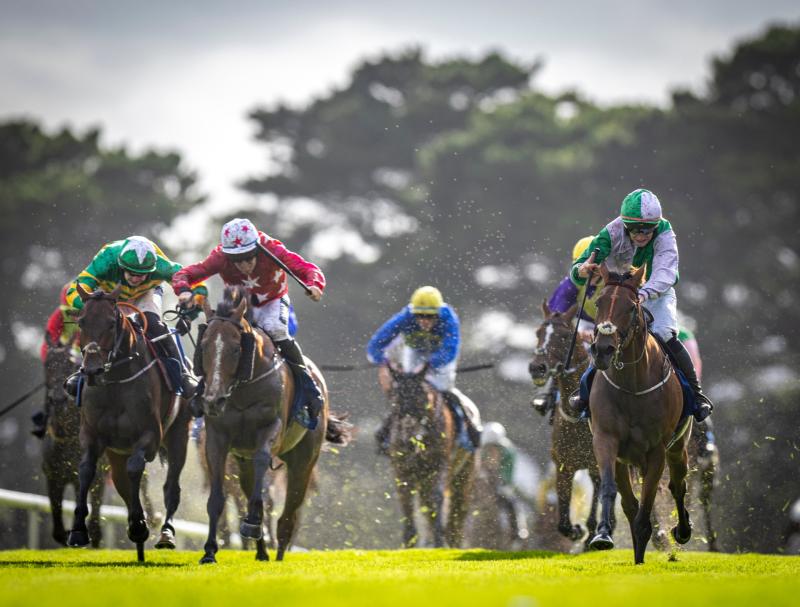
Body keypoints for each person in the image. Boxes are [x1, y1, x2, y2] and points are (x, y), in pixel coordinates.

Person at [570, 188, 713, 422]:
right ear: (625, 225)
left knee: (666, 333)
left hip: (655, 292)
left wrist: (643, 294)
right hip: (620, 290)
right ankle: (584, 394)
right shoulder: (611, 231)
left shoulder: (665, 232)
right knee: (606, 335)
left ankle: (696, 396)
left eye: (648, 229)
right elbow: (579, 267)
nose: (642, 234)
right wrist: (581, 270)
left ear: (656, 225)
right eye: (636, 229)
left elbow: (666, 273)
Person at [172, 217, 325, 424]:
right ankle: (201, 388)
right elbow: (185, 274)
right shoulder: (219, 257)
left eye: (248, 258)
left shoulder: (273, 249)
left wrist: (314, 284)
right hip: (238, 299)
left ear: (257, 249)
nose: (244, 265)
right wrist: (183, 291)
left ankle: (308, 387)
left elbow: (307, 268)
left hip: (272, 300)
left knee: (275, 329)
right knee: (215, 333)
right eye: (237, 260)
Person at [64, 236, 207, 399]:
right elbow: (73, 290)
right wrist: (93, 309)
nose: (136, 278)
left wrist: (189, 314)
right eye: (131, 273)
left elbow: (198, 285)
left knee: (154, 325)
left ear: (152, 269)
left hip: (146, 294)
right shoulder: (106, 258)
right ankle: (82, 372)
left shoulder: (161, 266)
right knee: (97, 325)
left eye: (143, 274)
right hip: (109, 297)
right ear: (121, 266)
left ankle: (183, 374)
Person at [367, 285, 482, 452]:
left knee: (443, 389)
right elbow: (375, 345)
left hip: (441, 357)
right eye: (419, 316)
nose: (424, 321)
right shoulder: (405, 317)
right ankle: (386, 435)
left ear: (439, 313)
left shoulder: (449, 319)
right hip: (415, 352)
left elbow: (449, 351)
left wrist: (430, 364)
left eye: (430, 316)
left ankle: (464, 434)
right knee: (405, 390)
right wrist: (384, 362)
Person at [32, 284, 81, 437]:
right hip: (61, 354)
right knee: (52, 386)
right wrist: (53, 354)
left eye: (76, 311)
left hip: (82, 354)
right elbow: (51, 335)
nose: (73, 315)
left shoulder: (90, 313)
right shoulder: (59, 314)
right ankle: (45, 419)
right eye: (70, 311)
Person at [480, 421, 530, 543]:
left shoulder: (509, 451)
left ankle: (518, 529)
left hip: (502, 482)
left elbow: (508, 472)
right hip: (484, 480)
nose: (492, 449)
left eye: (495, 446)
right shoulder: (481, 450)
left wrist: (501, 482)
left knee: (511, 500)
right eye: (489, 446)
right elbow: (478, 466)